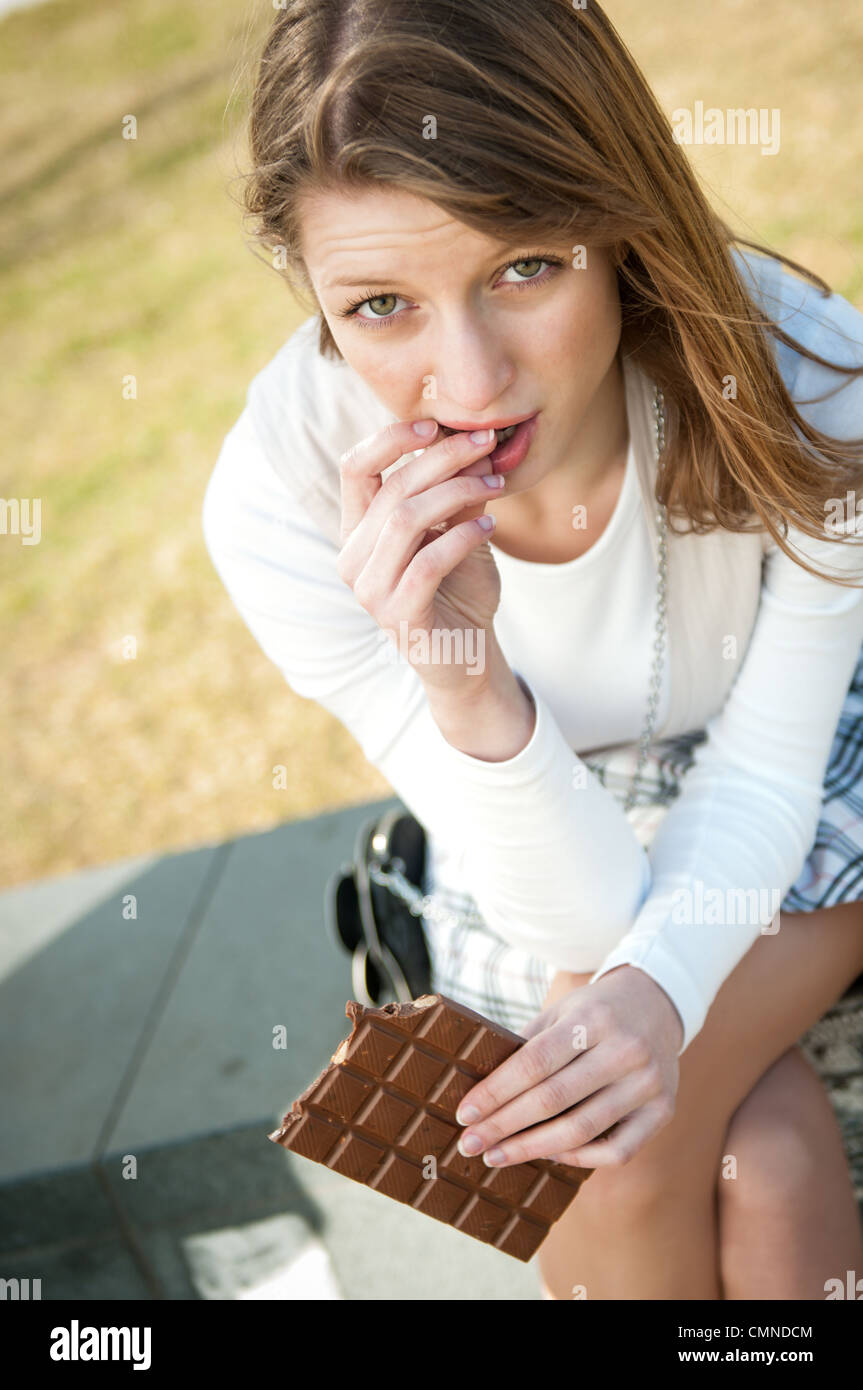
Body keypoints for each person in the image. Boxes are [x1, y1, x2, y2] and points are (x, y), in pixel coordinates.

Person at [203, 0, 863, 1299]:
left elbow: (772, 776)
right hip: (536, 807)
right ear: (309, 291)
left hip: (812, 783)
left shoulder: (811, 382)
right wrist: (466, 682)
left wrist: (660, 996)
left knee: (629, 1156)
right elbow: (572, 912)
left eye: (524, 268)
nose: (471, 377)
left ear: (621, 224)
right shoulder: (280, 499)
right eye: (381, 305)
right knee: (769, 1160)